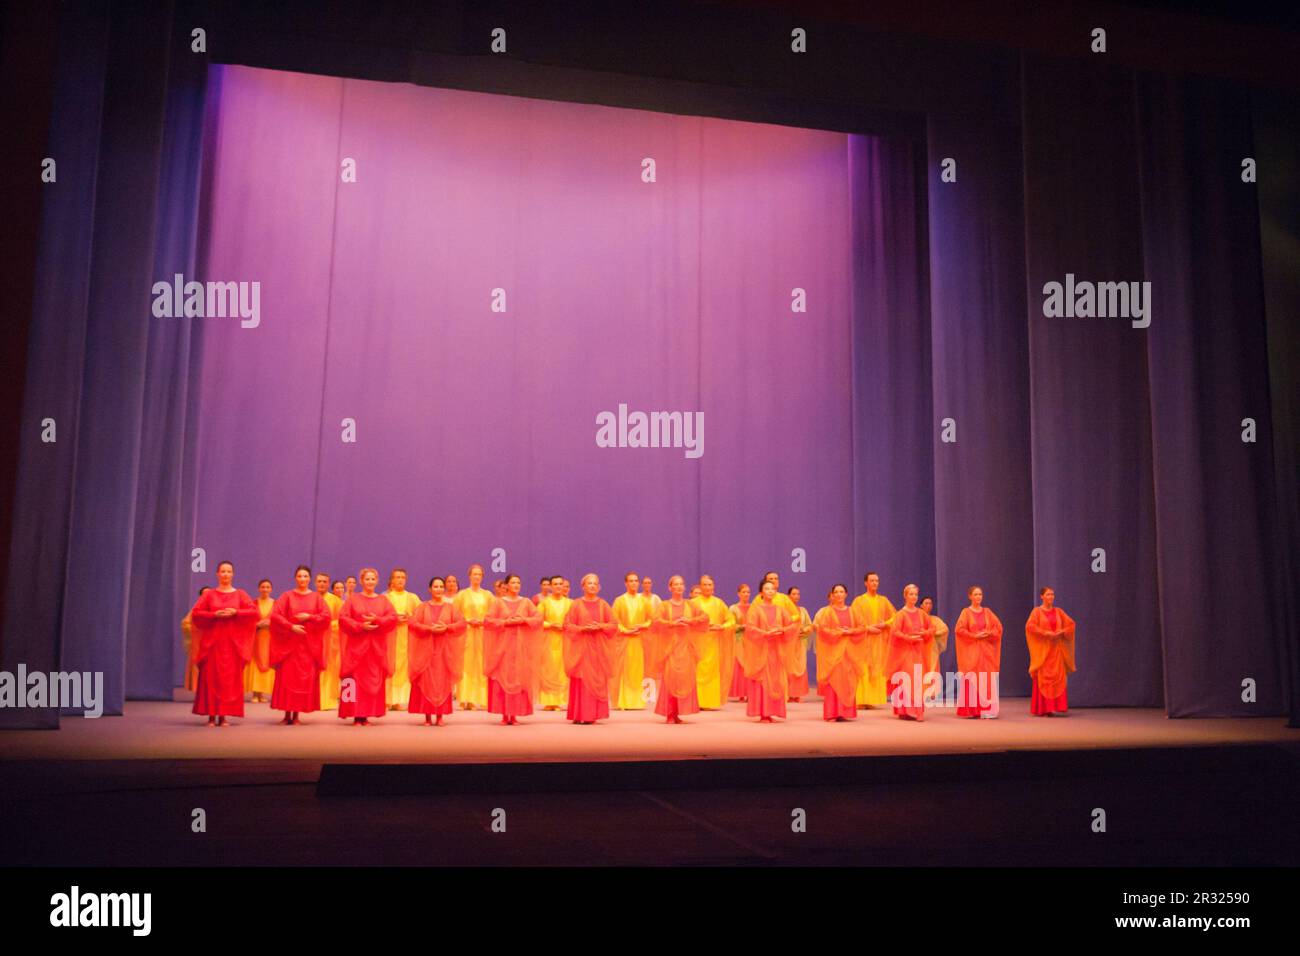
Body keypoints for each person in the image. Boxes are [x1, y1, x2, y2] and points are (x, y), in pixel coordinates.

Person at [190, 562, 257, 726]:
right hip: (213, 643)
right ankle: (211, 715)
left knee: (228, 680)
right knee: (211, 679)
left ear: (233, 574)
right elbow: (196, 614)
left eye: (229, 571)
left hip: (232, 645)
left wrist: (237, 612)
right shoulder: (209, 595)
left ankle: (224, 715)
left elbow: (254, 612)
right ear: (217, 574)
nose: (226, 574)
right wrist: (214, 615)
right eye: (223, 571)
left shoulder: (240, 594)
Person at [269, 565, 329, 724]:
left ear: (310, 579)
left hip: (308, 646)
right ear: (295, 578)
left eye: (305, 576)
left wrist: (309, 617)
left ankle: (296, 715)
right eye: (300, 576)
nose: (303, 579)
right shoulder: (287, 596)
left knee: (303, 680)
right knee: (287, 679)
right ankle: (286, 714)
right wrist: (291, 626)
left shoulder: (316, 597)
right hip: (289, 646)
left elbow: (326, 616)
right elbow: (275, 615)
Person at [338, 568, 397, 725]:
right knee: (354, 680)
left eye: (372, 579)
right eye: (367, 579)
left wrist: (377, 620)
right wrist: (360, 626)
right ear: (361, 581)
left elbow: (392, 618)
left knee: (373, 681)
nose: (370, 582)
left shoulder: (383, 600)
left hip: (375, 649)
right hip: (356, 648)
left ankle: (368, 713)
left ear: (377, 581)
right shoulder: (352, 599)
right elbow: (343, 618)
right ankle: (356, 714)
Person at [484, 573, 543, 724]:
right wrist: (505, 622)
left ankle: (515, 714)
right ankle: (504, 714)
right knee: (503, 679)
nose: (516, 585)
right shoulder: (498, 603)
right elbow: (488, 620)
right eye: (513, 582)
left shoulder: (526, 602)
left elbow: (538, 618)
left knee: (519, 679)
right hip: (502, 649)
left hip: (521, 648)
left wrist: (524, 620)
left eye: (518, 582)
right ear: (507, 585)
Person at [408, 577, 467, 725]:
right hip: (425, 652)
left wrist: (447, 628)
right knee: (426, 681)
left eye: (441, 587)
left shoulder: (450, 608)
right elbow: (413, 623)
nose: (439, 589)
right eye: (436, 587)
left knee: (442, 682)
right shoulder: (422, 607)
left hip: (444, 652)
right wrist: (429, 629)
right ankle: (427, 716)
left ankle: (440, 715)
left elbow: (461, 623)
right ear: (430, 589)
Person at [563, 573, 617, 723]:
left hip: (598, 651)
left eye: (595, 583)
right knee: (581, 680)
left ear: (599, 587)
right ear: (583, 586)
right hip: (581, 650)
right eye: (589, 583)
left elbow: (613, 625)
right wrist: (581, 629)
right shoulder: (576, 604)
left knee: (596, 679)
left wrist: (600, 626)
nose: (592, 586)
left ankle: (592, 715)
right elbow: (567, 625)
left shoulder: (604, 605)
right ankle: (579, 714)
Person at [650, 575, 705, 723]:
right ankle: (670, 713)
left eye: (681, 584)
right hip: (670, 648)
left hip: (686, 647)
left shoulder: (691, 605)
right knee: (670, 679)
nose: (679, 587)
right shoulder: (664, 605)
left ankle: (677, 713)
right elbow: (655, 622)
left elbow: (704, 618)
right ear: (670, 587)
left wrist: (690, 621)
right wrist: (672, 624)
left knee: (683, 679)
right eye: (676, 584)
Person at [741, 580, 797, 721]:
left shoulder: (781, 610)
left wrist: (781, 630)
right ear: (761, 592)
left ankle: (773, 711)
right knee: (763, 681)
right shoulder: (755, 609)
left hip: (776, 651)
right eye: (767, 588)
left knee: (775, 680)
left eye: (772, 589)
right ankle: (763, 712)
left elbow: (792, 626)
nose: (770, 591)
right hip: (761, 651)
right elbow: (750, 628)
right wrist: (764, 633)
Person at [813, 585, 868, 720]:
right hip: (833, 654)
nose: (839, 594)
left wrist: (850, 631)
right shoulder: (827, 612)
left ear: (846, 594)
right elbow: (823, 629)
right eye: (836, 592)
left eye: (841, 591)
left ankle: (846, 712)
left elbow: (862, 627)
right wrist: (839, 632)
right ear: (832, 594)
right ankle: (832, 713)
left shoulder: (853, 611)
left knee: (849, 681)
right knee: (834, 681)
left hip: (850, 653)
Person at [885, 584, 934, 720]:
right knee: (908, 680)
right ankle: (906, 710)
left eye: (916, 595)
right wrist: (908, 638)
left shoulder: (921, 613)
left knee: (918, 680)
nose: (914, 597)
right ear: (905, 596)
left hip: (918, 652)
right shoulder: (901, 614)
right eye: (911, 594)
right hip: (905, 653)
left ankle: (918, 711)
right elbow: (895, 632)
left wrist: (925, 632)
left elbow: (932, 628)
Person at [1025, 587, 1076, 716]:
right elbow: (1030, 626)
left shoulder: (1059, 612)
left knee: (1057, 678)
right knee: (1043, 678)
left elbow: (1071, 625)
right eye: (1048, 594)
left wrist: (1062, 631)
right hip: (1043, 652)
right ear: (1042, 597)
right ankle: (1043, 708)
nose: (1051, 597)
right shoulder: (1036, 612)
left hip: (1057, 651)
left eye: (1052, 594)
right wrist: (1045, 633)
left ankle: (1056, 706)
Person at [954, 587, 1002, 718]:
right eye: (975, 594)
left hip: (986, 652)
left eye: (980, 594)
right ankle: (971, 710)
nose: (978, 597)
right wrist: (974, 635)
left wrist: (988, 633)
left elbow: (998, 628)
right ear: (970, 596)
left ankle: (986, 709)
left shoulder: (987, 612)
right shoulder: (966, 612)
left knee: (986, 679)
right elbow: (959, 629)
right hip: (972, 651)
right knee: (972, 678)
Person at [851, 572, 896, 707]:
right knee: (864, 668)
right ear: (866, 583)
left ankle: (872, 700)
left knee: (877, 668)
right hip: (864, 641)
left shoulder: (883, 600)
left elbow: (895, 616)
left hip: (879, 641)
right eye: (872, 581)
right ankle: (862, 700)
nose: (874, 583)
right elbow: (853, 620)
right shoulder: (859, 601)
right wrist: (867, 628)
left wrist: (885, 624)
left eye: (876, 580)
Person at [452, 564, 492, 709]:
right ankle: (465, 699)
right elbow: (454, 615)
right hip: (466, 634)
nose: (477, 577)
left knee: (481, 665)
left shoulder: (488, 595)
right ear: (469, 576)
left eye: (479, 574)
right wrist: (467, 620)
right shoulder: (462, 595)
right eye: (474, 574)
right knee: (466, 665)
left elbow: (494, 615)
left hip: (482, 633)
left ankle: (481, 699)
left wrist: (483, 621)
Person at [610, 572, 652, 710]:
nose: (634, 583)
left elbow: (651, 619)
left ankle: (638, 701)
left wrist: (642, 626)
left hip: (640, 641)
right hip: (623, 641)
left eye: (636, 581)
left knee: (638, 670)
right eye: (631, 581)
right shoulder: (619, 601)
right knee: (623, 669)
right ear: (626, 583)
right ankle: (623, 701)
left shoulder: (644, 601)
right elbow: (614, 621)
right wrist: (625, 630)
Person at [694, 575, 735, 709]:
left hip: (714, 644)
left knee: (712, 672)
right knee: (698, 671)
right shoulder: (694, 603)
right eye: (704, 585)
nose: (707, 587)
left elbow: (731, 620)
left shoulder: (719, 603)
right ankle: (696, 701)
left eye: (709, 585)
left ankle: (710, 702)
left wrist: (722, 626)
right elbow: (687, 621)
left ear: (714, 587)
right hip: (698, 643)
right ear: (700, 587)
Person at [384, 568, 421, 710]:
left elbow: (421, 615)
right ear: (392, 580)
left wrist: (410, 617)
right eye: (397, 577)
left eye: (402, 577)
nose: (400, 580)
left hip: (407, 638)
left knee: (404, 666)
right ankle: (388, 699)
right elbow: (380, 616)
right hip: (390, 637)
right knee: (390, 665)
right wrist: (394, 618)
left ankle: (400, 699)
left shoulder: (412, 597)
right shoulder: (386, 598)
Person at [538, 574, 572, 710]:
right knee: (549, 669)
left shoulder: (570, 603)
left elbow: (575, 620)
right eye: (555, 584)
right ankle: (549, 701)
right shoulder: (545, 603)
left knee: (562, 670)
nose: (558, 586)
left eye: (560, 584)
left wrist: (565, 626)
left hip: (566, 641)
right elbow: (537, 620)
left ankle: (560, 700)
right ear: (551, 586)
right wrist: (550, 624)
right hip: (549, 640)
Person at [245, 579, 276, 702]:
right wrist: (256, 624)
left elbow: (279, 619)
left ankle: (262, 694)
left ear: (271, 589)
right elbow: (247, 620)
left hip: (270, 638)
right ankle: (255, 693)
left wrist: (270, 623)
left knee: (267, 663)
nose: (265, 589)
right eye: (263, 587)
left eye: (268, 587)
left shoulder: (276, 604)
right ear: (259, 588)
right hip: (256, 638)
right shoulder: (253, 604)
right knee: (255, 665)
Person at [318, 572, 344, 710]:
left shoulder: (336, 601)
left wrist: (327, 624)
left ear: (328, 584)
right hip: (313, 640)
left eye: (324, 581)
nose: (322, 584)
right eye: (319, 581)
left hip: (331, 641)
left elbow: (342, 620)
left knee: (329, 670)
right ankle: (314, 699)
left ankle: (328, 700)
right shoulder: (311, 598)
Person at [787, 586, 813, 702]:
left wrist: (805, 630)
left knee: (800, 667)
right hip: (788, 643)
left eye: (798, 594)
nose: (796, 596)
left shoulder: (803, 611)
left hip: (800, 643)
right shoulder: (784, 610)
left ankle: (797, 694)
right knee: (788, 667)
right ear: (788, 596)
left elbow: (810, 625)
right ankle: (787, 694)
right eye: (793, 594)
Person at [181, 586, 209, 693]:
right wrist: (195, 631)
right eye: (204, 594)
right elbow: (186, 623)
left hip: (212, 641)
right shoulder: (196, 609)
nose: (206, 596)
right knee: (198, 664)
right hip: (198, 642)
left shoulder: (215, 607)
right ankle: (199, 689)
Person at [728, 584, 752, 701]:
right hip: (738, 640)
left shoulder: (753, 607)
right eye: (743, 592)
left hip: (752, 641)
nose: (746, 594)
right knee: (740, 666)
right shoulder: (733, 608)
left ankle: (749, 692)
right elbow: (730, 624)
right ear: (738, 594)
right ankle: (741, 693)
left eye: (748, 592)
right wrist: (741, 626)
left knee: (750, 665)